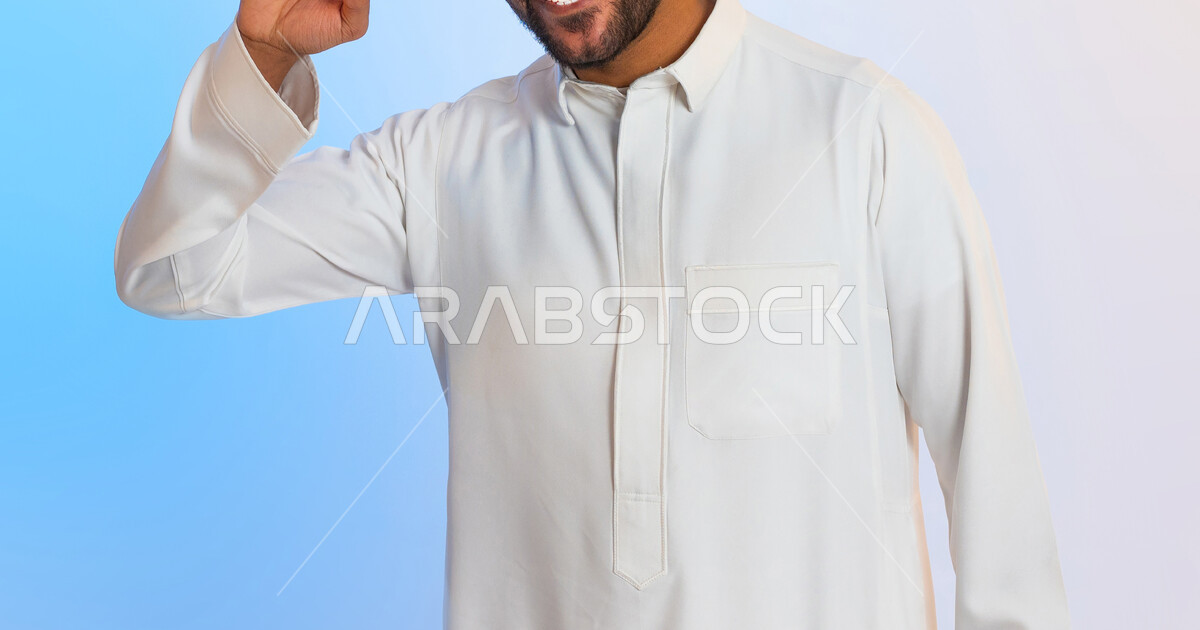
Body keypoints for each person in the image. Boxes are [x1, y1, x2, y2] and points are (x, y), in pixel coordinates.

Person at [114, 0, 1070, 627]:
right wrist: (265, 53)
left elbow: (997, 496)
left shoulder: (863, 133)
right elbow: (173, 270)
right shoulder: (445, 160)